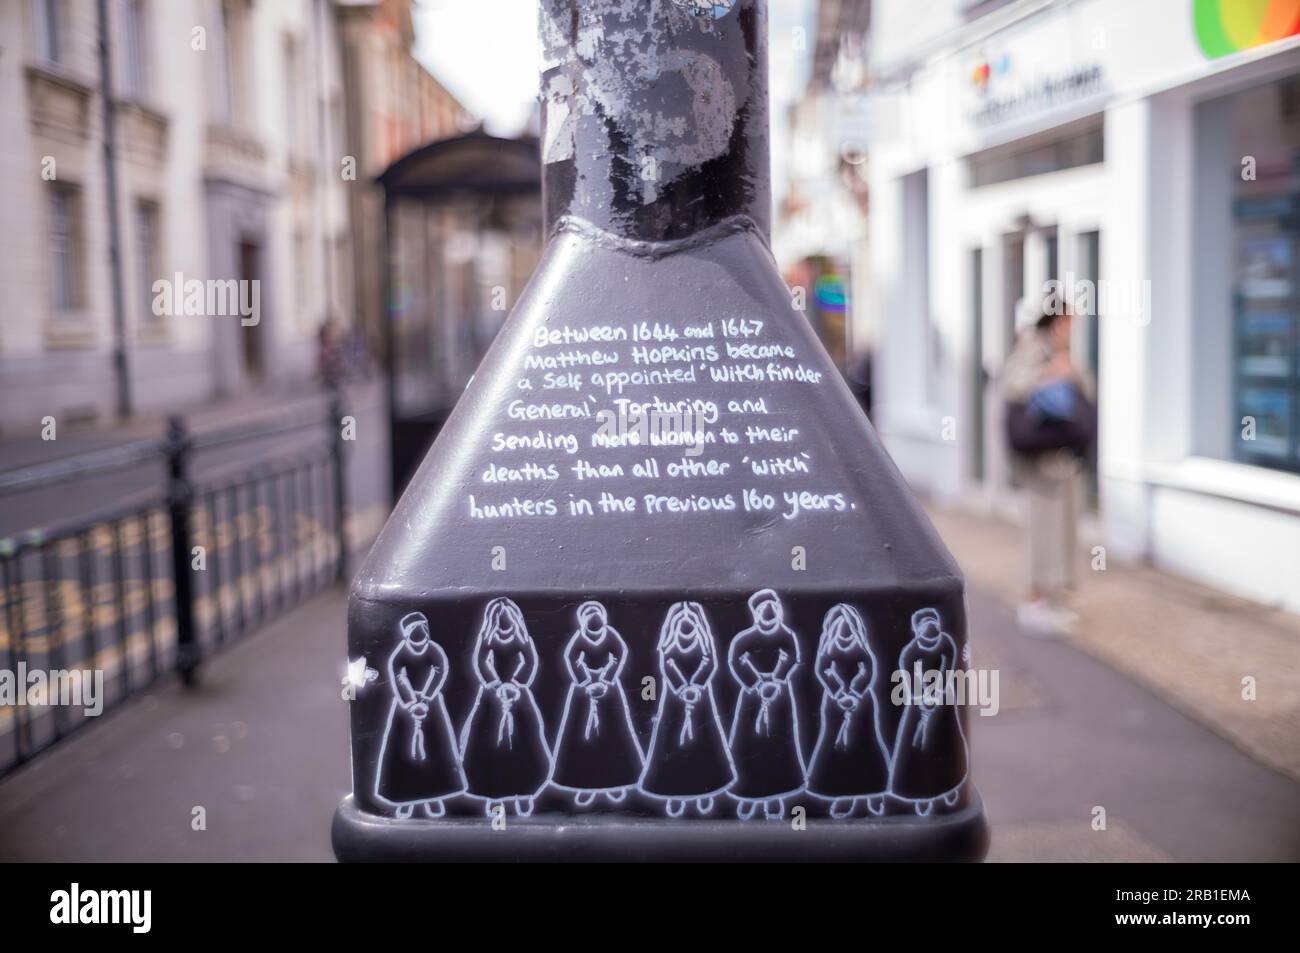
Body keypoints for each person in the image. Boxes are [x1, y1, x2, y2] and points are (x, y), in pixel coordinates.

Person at [1001, 303, 1095, 636]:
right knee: (1043, 531)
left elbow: (1085, 389)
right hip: (1042, 463)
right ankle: (1034, 599)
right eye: (1067, 321)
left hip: (1064, 460)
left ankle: (1054, 598)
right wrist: (1048, 375)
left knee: (1063, 532)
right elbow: (1012, 386)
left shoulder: (1063, 353)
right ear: (1054, 321)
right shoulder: (1031, 349)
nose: (1070, 329)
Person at [639, 602, 735, 818]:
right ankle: (671, 791)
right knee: (670, 744)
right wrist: (681, 688)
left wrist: (697, 686)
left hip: (701, 701)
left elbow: (709, 663)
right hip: (674, 702)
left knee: (706, 741)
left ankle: (708, 789)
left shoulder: (704, 646)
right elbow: (666, 665)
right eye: (681, 620)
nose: (686, 623)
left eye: (691, 619)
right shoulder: (668, 647)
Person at [459, 598, 551, 817]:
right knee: (487, 743)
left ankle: (525, 793)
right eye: (499, 617)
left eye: (507, 616)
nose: (504, 620)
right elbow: (482, 662)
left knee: (526, 743)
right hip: (491, 697)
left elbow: (528, 661)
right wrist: (496, 685)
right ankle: (493, 795)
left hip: (519, 697)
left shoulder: (523, 639)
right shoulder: (487, 639)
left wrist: (516, 684)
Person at [549, 601, 645, 806]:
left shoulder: (611, 635)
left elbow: (618, 657)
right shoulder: (579, 638)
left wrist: (605, 681)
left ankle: (618, 782)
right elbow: (573, 659)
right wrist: (585, 682)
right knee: (580, 739)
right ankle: (583, 784)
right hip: (582, 693)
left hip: (609, 690)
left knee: (616, 736)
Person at [374, 612, 465, 818]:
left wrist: (425, 698)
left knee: (436, 751)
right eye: (414, 632)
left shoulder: (434, 650)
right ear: (407, 635)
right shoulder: (399, 655)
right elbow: (399, 678)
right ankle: (404, 798)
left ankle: (435, 796)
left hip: (431, 707)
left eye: (422, 631)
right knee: (403, 755)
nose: (419, 636)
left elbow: (439, 671)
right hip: (405, 710)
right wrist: (410, 703)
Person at [726, 589, 806, 820]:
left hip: (780, 697)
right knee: (748, 746)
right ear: (756, 613)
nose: (768, 613)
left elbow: (793, 659)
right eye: (763, 609)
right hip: (752, 698)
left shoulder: (787, 636)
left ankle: (776, 796)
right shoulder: (744, 639)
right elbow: (735, 662)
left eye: (772, 608)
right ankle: (748, 795)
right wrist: (755, 684)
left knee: (780, 746)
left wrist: (777, 680)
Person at [805, 604, 889, 818]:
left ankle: (874, 793)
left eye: (848, 627)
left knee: (865, 744)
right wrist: (839, 693)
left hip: (862, 705)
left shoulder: (862, 650)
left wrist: (855, 693)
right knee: (836, 746)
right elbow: (824, 671)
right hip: (835, 704)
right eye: (839, 627)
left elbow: (867, 671)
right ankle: (843, 795)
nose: (844, 632)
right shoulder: (828, 651)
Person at [889, 608, 969, 815]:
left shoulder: (945, 644)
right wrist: (921, 700)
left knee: (944, 741)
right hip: (918, 703)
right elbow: (908, 679)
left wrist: (936, 695)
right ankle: (918, 792)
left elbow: (947, 670)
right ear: (917, 632)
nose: (930, 639)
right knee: (916, 746)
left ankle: (948, 783)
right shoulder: (910, 652)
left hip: (942, 701)